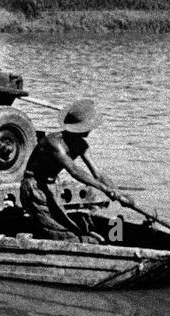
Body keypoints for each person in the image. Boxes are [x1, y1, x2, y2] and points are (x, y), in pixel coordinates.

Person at [20, 99, 133, 242]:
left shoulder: (82, 145)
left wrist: (117, 192)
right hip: (33, 189)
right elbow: (74, 170)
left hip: (50, 188)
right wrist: (104, 189)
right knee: (62, 233)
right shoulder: (54, 142)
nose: (91, 129)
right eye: (88, 126)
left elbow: (97, 173)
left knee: (69, 226)